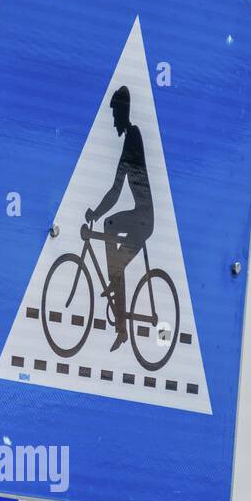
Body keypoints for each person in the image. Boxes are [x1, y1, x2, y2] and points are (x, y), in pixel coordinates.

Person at [85, 85, 154, 352]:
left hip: (144, 218)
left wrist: (96, 213)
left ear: (123, 111)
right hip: (140, 216)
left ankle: (122, 326)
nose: (113, 120)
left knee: (110, 227)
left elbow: (115, 191)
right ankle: (116, 286)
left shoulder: (133, 136)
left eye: (115, 114)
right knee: (110, 227)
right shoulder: (129, 138)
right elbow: (116, 188)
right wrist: (96, 212)